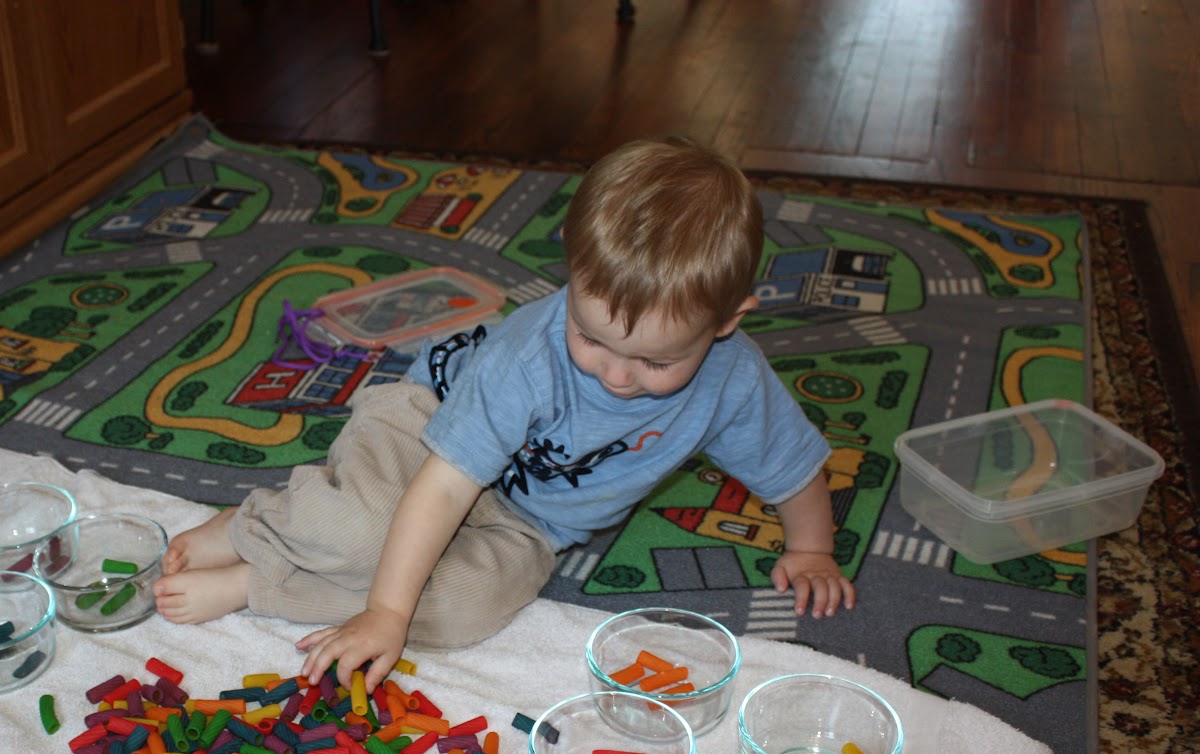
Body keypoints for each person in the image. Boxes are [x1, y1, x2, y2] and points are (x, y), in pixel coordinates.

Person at [153, 134, 856, 691]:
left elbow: (791, 466)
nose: (615, 375)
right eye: (591, 337)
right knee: (353, 528)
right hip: (430, 432)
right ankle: (256, 526)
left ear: (729, 320)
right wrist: (388, 609)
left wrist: (811, 548)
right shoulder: (526, 357)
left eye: (653, 362)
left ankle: (261, 581)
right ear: (571, 276)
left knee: (467, 608)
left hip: (533, 519)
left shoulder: (736, 380)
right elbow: (444, 487)